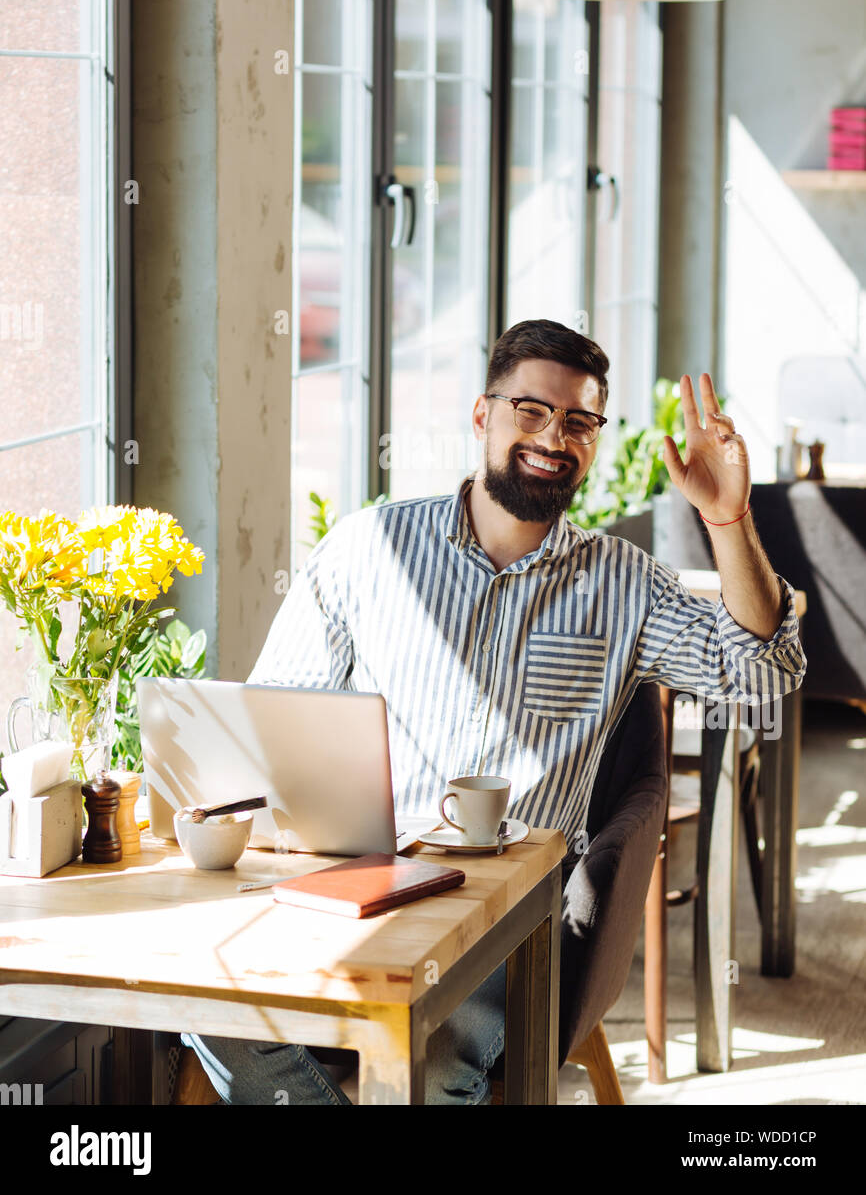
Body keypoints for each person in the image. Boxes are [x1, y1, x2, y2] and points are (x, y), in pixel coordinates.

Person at [182, 318, 805, 1104]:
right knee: (208, 1001)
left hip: (506, 924)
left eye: (579, 420)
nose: (555, 436)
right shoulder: (366, 549)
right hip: (350, 888)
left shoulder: (624, 582)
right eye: (532, 411)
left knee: (430, 1064)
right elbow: (270, 731)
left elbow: (764, 673)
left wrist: (728, 518)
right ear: (483, 416)